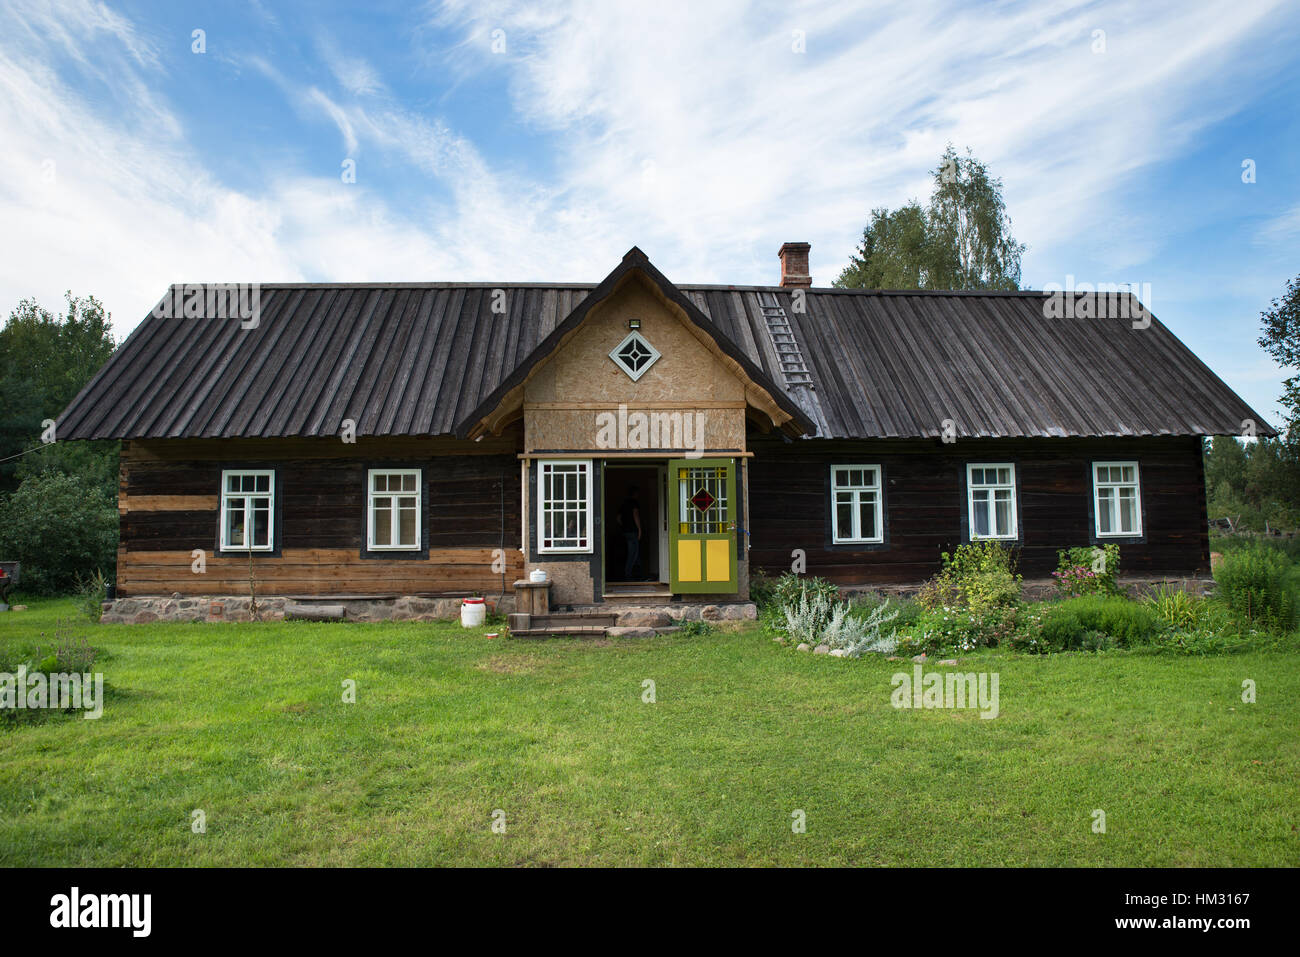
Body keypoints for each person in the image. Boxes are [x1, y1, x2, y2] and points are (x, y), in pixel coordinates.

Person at [618, 486, 642, 580]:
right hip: (633, 531)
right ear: (635, 493)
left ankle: (637, 573)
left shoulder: (624, 504)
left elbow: (618, 518)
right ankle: (628, 574)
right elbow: (636, 515)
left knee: (634, 552)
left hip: (626, 532)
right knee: (634, 553)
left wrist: (624, 526)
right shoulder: (634, 503)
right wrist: (639, 529)